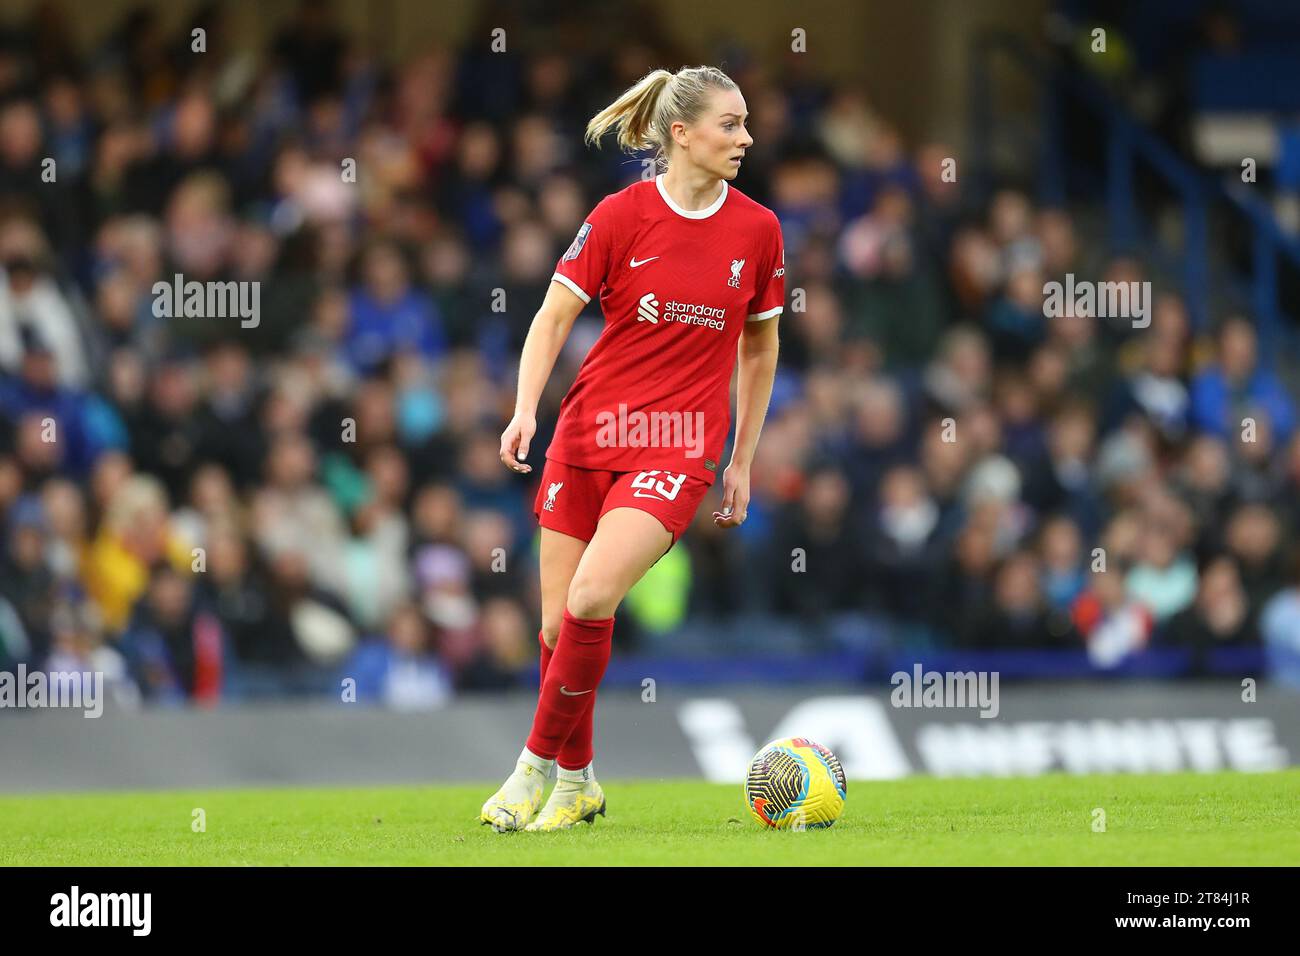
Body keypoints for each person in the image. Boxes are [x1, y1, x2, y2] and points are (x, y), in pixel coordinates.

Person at [479, 65, 784, 831]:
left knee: (591, 597)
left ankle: (530, 772)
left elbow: (760, 349)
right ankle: (579, 781)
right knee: (554, 631)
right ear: (681, 134)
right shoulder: (619, 216)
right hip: (587, 434)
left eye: (746, 124)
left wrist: (742, 457)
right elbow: (552, 319)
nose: (745, 138)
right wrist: (524, 411)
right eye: (729, 124)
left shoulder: (759, 230)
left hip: (677, 447)